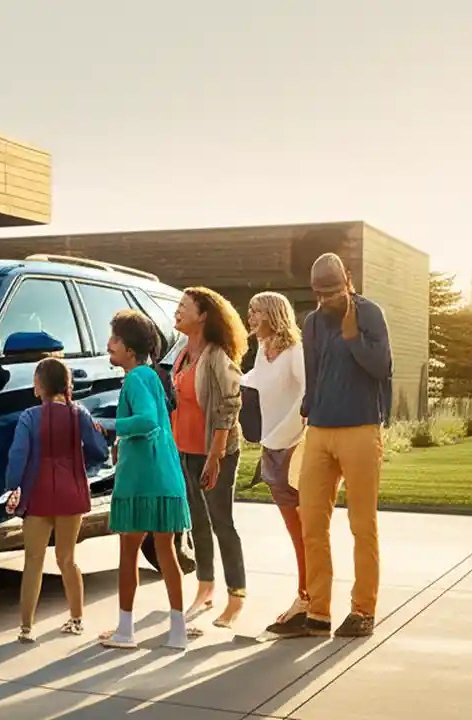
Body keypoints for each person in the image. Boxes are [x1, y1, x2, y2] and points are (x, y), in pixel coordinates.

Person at [288, 253, 393, 639]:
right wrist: (306, 410)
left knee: (361, 524)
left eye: (332, 291)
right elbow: (313, 374)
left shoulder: (370, 314)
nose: (326, 299)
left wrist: (353, 337)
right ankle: (318, 611)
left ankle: (363, 609)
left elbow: (381, 366)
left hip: (361, 429)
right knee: (311, 521)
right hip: (320, 429)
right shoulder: (312, 323)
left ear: (347, 280)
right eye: (319, 293)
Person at [98, 310, 198, 650]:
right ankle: (177, 631)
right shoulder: (153, 376)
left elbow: (147, 422)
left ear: (129, 348)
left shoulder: (135, 379)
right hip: (166, 476)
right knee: (166, 552)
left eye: (115, 340)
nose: (109, 344)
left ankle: (125, 631)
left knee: (129, 553)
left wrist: (112, 427)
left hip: (141, 481)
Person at [4, 357, 108, 642]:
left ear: (40, 385)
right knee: (67, 558)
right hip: (71, 492)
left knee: (33, 561)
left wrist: (12, 487)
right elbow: (100, 450)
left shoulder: (29, 417)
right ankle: (76, 619)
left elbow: (17, 456)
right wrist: (79, 464)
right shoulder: (80, 414)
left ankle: (26, 627)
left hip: (37, 495)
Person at [171, 287, 249, 628]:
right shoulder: (182, 353)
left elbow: (230, 406)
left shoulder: (216, 357)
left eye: (184, 307)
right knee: (198, 525)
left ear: (202, 315)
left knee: (222, 524)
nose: (177, 311)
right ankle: (205, 588)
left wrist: (215, 457)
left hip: (215, 453)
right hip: (186, 451)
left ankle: (236, 598)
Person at [241, 292, 310, 635]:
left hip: (294, 448)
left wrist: (300, 433)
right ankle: (306, 597)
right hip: (271, 447)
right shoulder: (262, 352)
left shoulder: (295, 351)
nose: (250, 316)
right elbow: (252, 383)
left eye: (255, 311)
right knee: (295, 532)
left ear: (272, 314)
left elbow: (308, 393)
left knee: (305, 532)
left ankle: (308, 600)